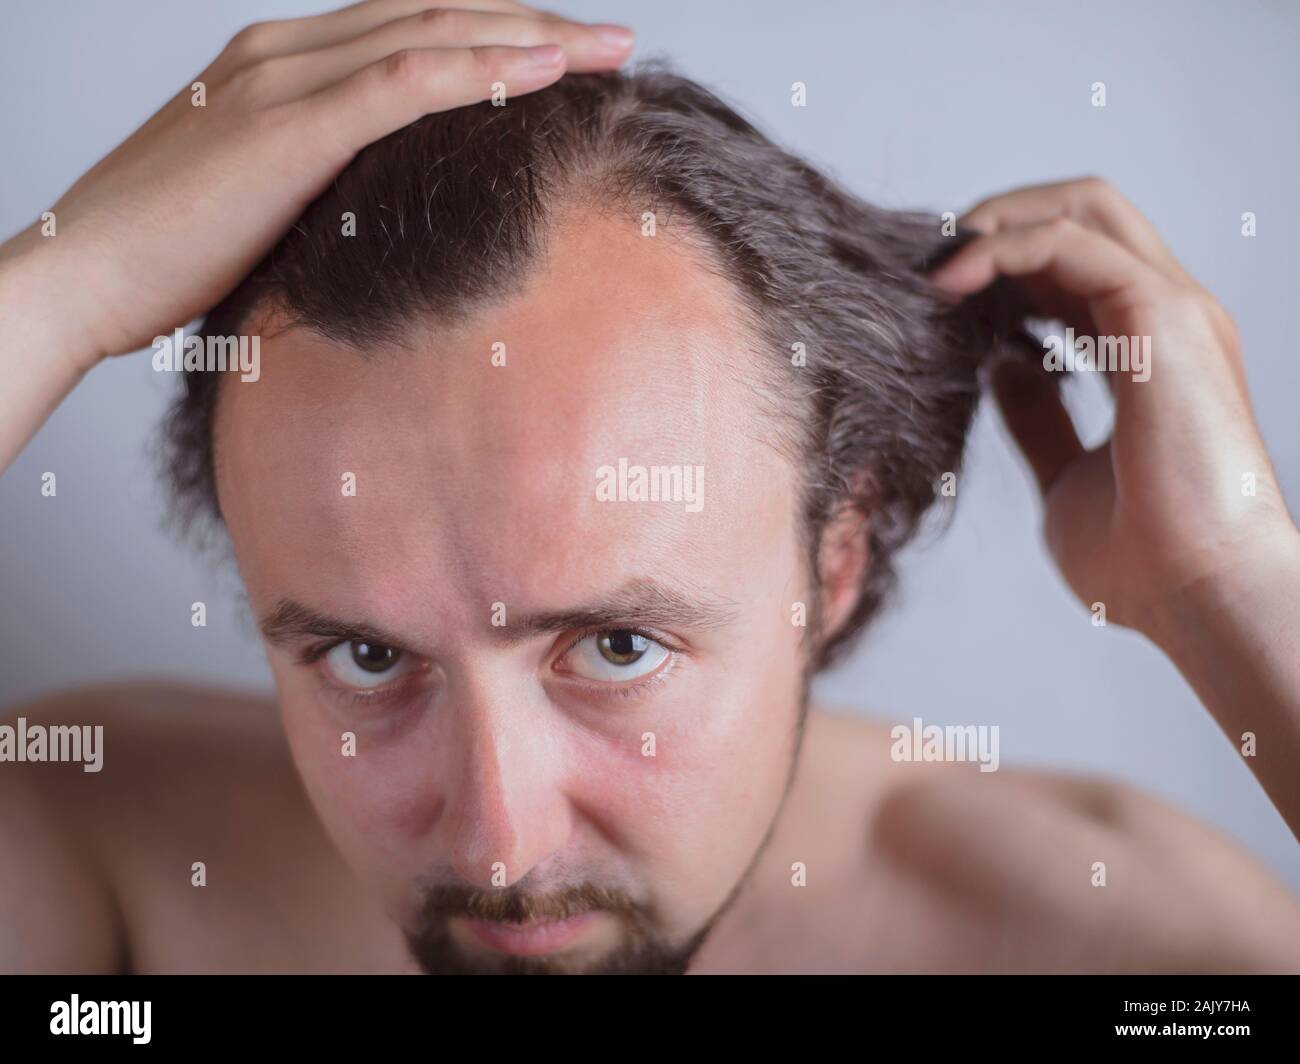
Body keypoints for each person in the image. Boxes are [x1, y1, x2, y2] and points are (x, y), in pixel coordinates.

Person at [1, 0, 1298, 975]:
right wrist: (59, 292)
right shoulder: (114, 858)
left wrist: (1235, 583)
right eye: (365, 657)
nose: (498, 847)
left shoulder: (1107, 941)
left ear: (835, 561)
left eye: (617, 647)